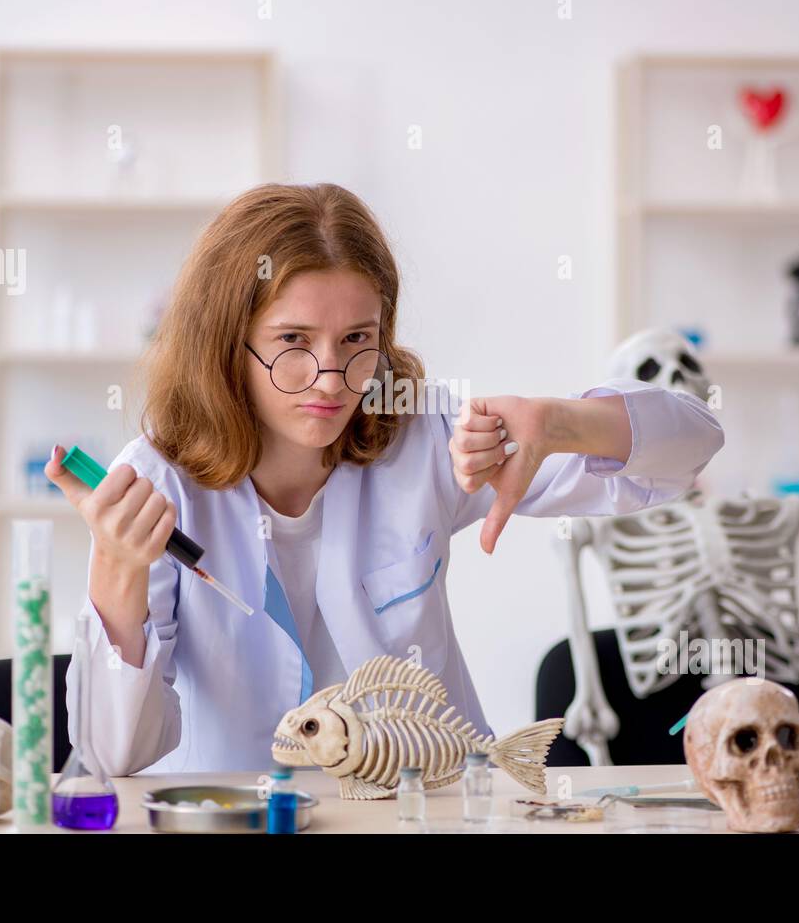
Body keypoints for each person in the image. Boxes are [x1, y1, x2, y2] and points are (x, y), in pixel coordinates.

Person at [46, 183, 724, 774]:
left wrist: (562, 422)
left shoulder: (424, 437)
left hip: (428, 811)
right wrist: (116, 566)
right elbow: (112, 756)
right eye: (292, 341)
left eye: (356, 340)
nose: (332, 378)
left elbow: (693, 444)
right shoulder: (156, 481)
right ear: (227, 341)